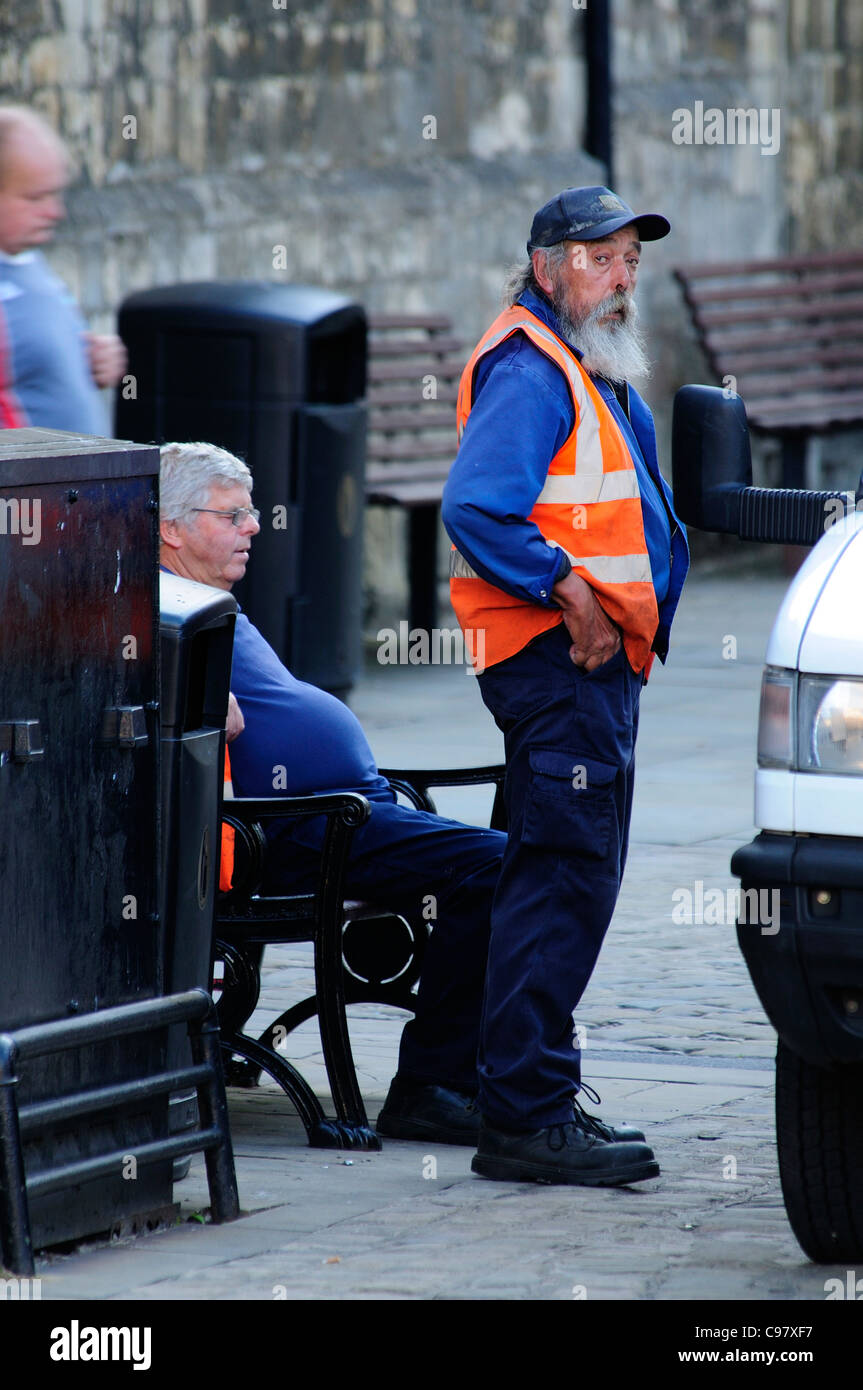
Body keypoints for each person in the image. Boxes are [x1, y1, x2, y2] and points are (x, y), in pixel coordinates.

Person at [441, 185, 690, 1185]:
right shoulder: (533, 365)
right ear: (545, 267)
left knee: (546, 873)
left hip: (587, 669)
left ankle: (492, 1086)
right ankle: (527, 1114)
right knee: (562, 881)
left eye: (629, 259)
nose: (620, 278)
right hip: (559, 665)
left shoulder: (584, 362)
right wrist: (567, 592)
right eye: (598, 258)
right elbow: (478, 507)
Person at [0, 105, 126, 432]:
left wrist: (94, 360)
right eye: (35, 198)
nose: (54, 212)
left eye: (56, 195)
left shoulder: (30, 262)